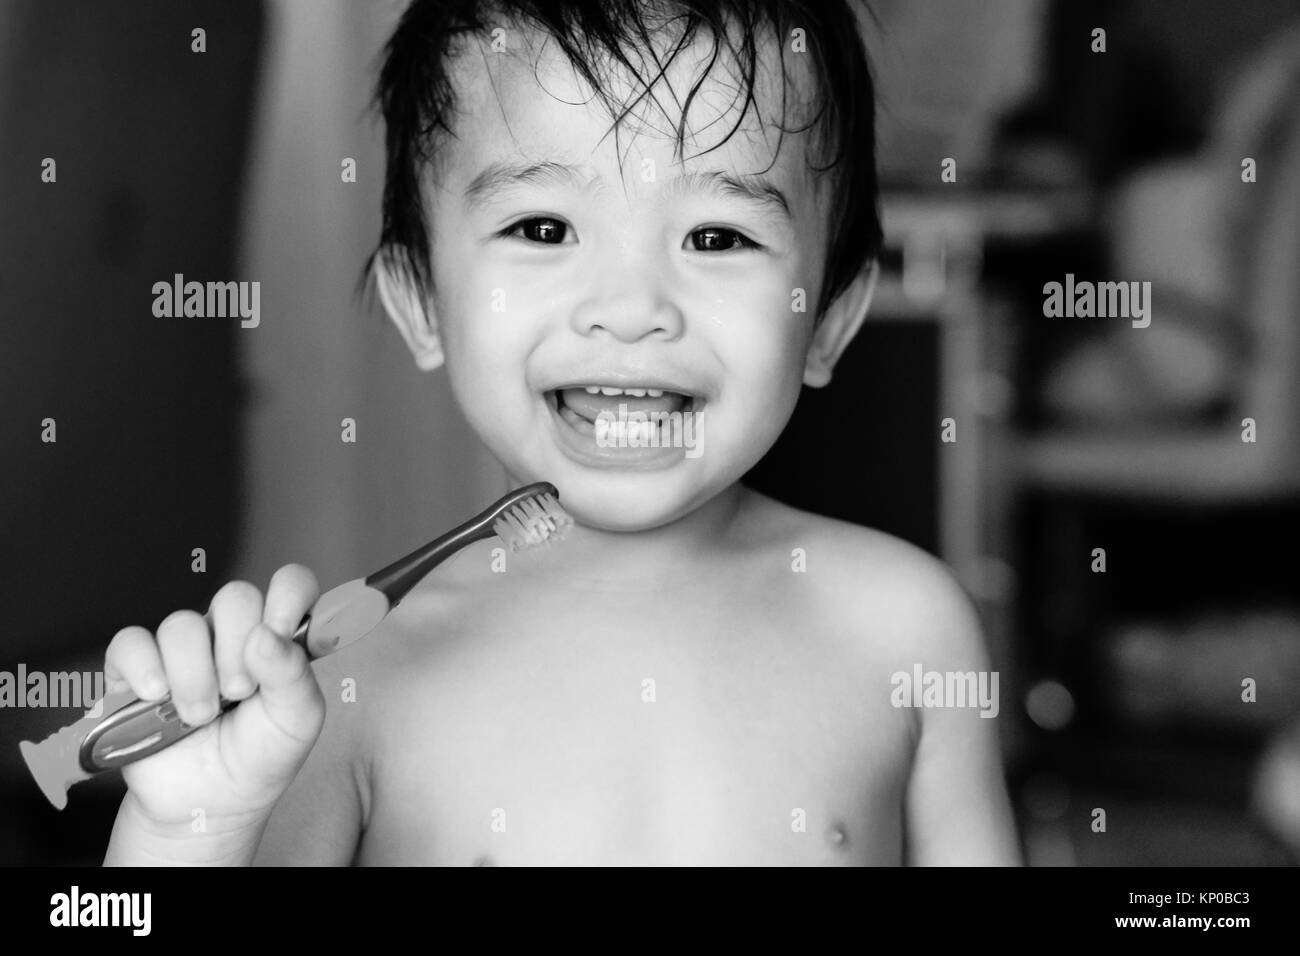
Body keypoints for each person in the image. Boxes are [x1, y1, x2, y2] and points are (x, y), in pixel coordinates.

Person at [103, 0, 1019, 866]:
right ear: (423, 302)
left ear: (825, 318)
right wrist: (188, 828)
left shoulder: (903, 630)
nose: (629, 310)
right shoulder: (345, 684)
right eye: (543, 227)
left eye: (717, 238)